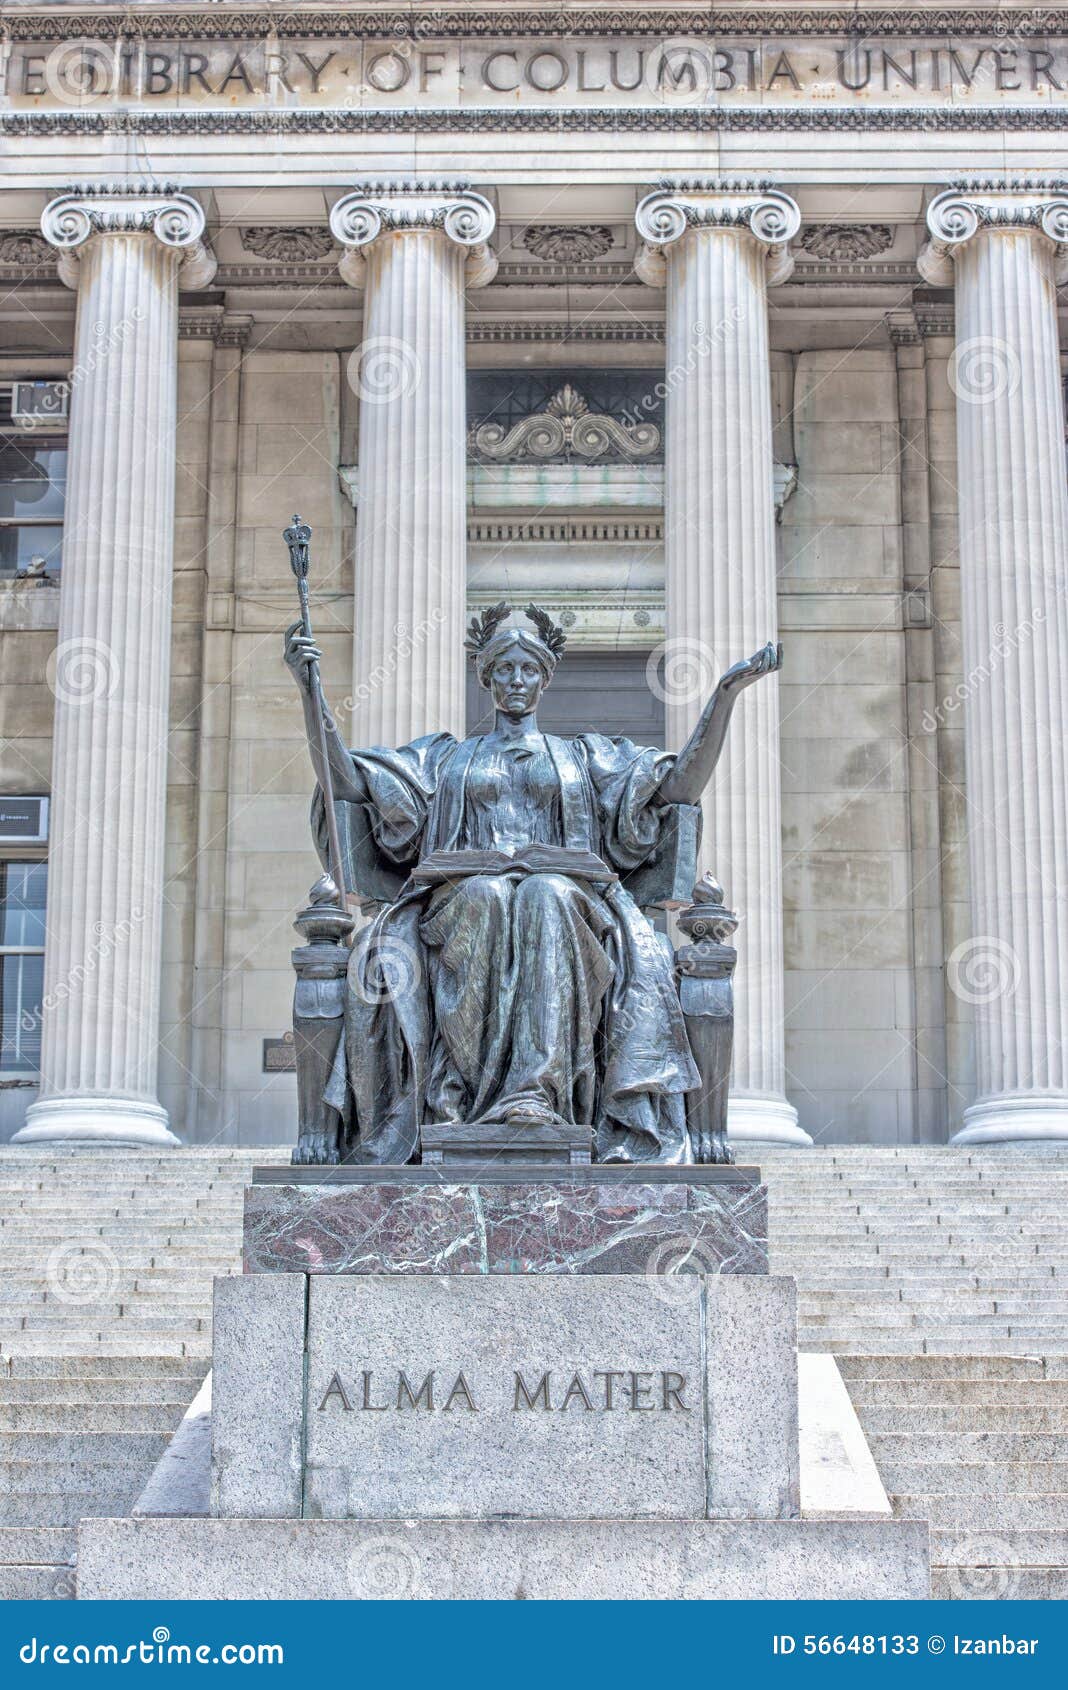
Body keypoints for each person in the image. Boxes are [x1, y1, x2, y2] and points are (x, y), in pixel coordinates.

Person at [284, 601, 780, 1164]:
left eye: (527, 670)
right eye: (504, 669)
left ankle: (533, 1094)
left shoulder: (585, 758)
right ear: (486, 678)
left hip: (567, 901)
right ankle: (460, 1098)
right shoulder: (444, 759)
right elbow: (349, 784)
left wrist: (723, 697)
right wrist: (311, 693)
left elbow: (677, 790)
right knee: (487, 895)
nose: (516, 680)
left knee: (546, 894)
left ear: (544, 679)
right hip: (462, 899)